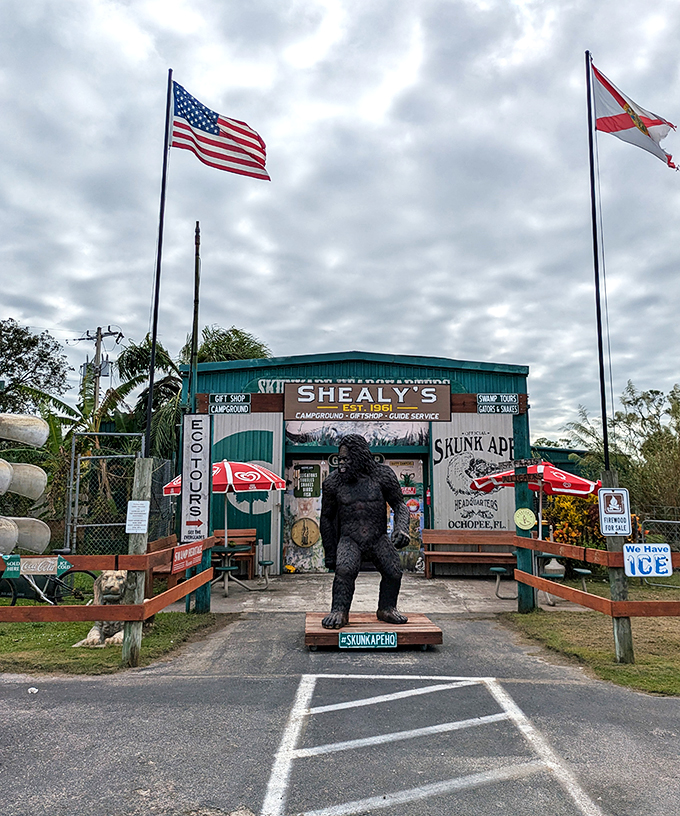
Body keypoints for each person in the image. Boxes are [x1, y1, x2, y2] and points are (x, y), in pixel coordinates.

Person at [319, 434, 410, 629]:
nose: (341, 464)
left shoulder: (382, 475)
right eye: (339, 459)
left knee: (393, 571)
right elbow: (326, 518)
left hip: (378, 537)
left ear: (359, 458)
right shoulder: (333, 483)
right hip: (350, 538)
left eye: (346, 460)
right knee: (344, 570)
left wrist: (402, 529)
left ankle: (386, 608)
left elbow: (400, 505)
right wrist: (330, 552)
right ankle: (339, 611)